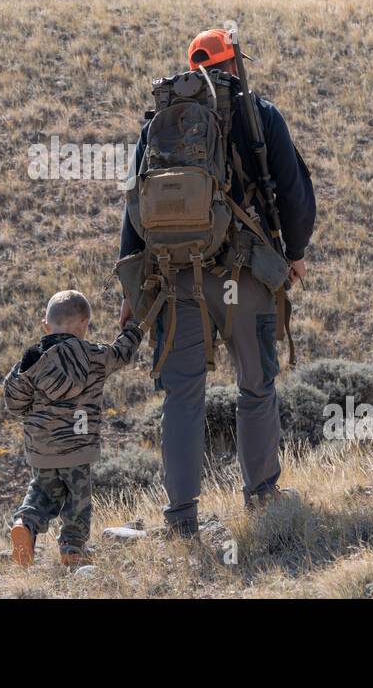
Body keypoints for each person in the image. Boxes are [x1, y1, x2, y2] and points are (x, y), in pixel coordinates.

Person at [118, 28, 316, 536]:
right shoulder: (260, 115)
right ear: (233, 65)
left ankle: (182, 519)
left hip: (176, 276)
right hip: (245, 276)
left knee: (183, 395)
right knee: (256, 385)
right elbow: (293, 193)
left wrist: (131, 292)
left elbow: (134, 209)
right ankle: (262, 497)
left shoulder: (158, 125)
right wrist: (293, 254)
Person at [3, 289, 143, 566]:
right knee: (78, 499)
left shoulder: (31, 361)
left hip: (42, 447)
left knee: (42, 490)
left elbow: (14, 402)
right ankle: (72, 547)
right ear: (84, 325)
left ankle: (25, 524)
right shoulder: (94, 354)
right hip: (78, 446)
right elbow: (122, 352)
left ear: (46, 325)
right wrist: (134, 324)